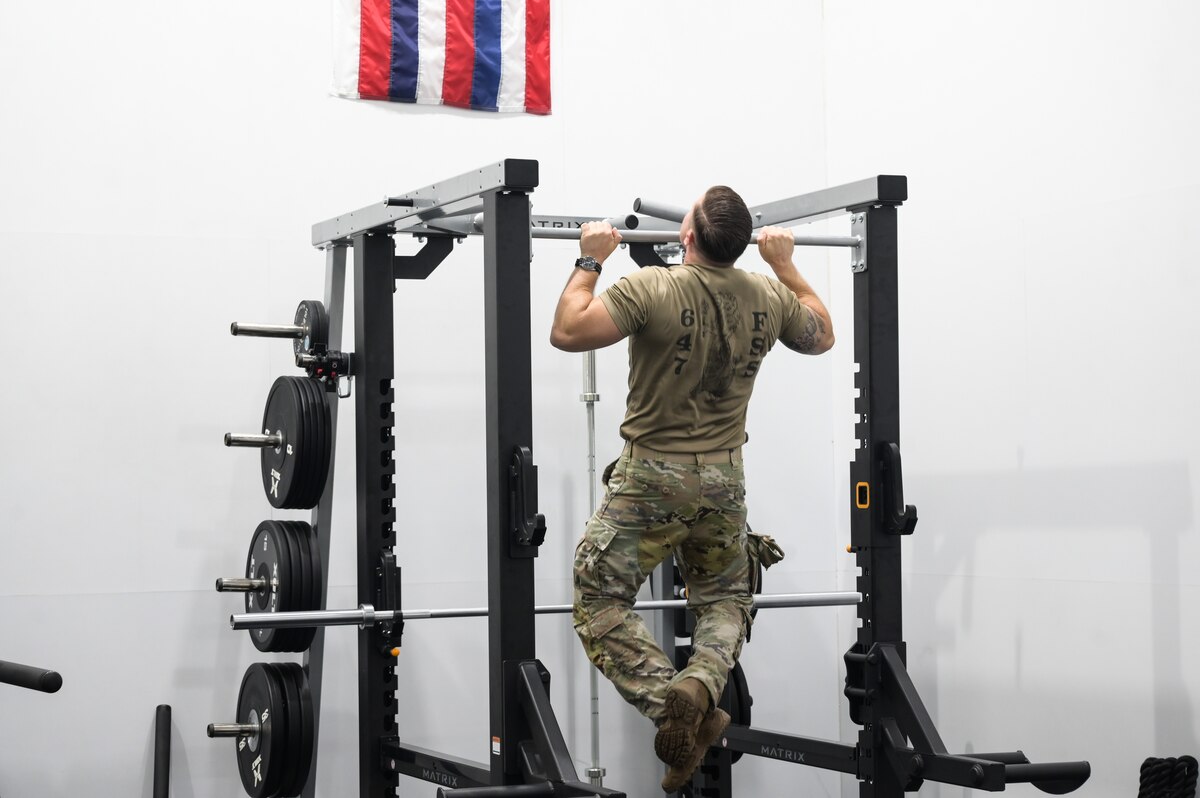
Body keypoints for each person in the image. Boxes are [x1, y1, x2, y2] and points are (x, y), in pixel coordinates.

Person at [549, 186, 834, 791]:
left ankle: (668, 698)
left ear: (687, 236)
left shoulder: (650, 288)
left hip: (653, 476)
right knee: (725, 598)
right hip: (724, 480)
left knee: (597, 599)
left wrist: (590, 259)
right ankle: (701, 681)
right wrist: (785, 264)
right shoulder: (768, 293)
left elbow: (568, 331)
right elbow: (822, 334)